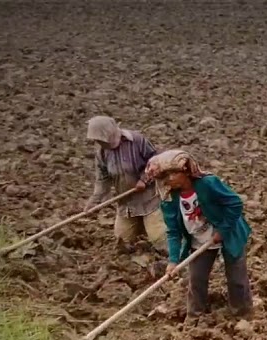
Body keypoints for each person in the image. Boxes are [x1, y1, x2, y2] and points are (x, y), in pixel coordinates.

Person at [146, 149, 254, 318]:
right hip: (198, 239)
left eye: (170, 175)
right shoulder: (169, 199)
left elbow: (235, 203)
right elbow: (173, 231)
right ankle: (196, 316)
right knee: (196, 278)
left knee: (236, 277)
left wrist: (223, 230)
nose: (167, 181)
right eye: (163, 178)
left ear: (185, 171)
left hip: (229, 233)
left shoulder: (208, 184)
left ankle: (242, 314)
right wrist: (173, 260)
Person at [84, 116, 165, 252]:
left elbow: (156, 161)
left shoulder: (137, 140)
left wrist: (144, 179)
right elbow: (102, 179)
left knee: (160, 241)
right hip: (126, 204)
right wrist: (94, 201)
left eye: (98, 139)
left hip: (149, 199)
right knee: (122, 242)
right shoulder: (102, 153)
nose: (97, 143)